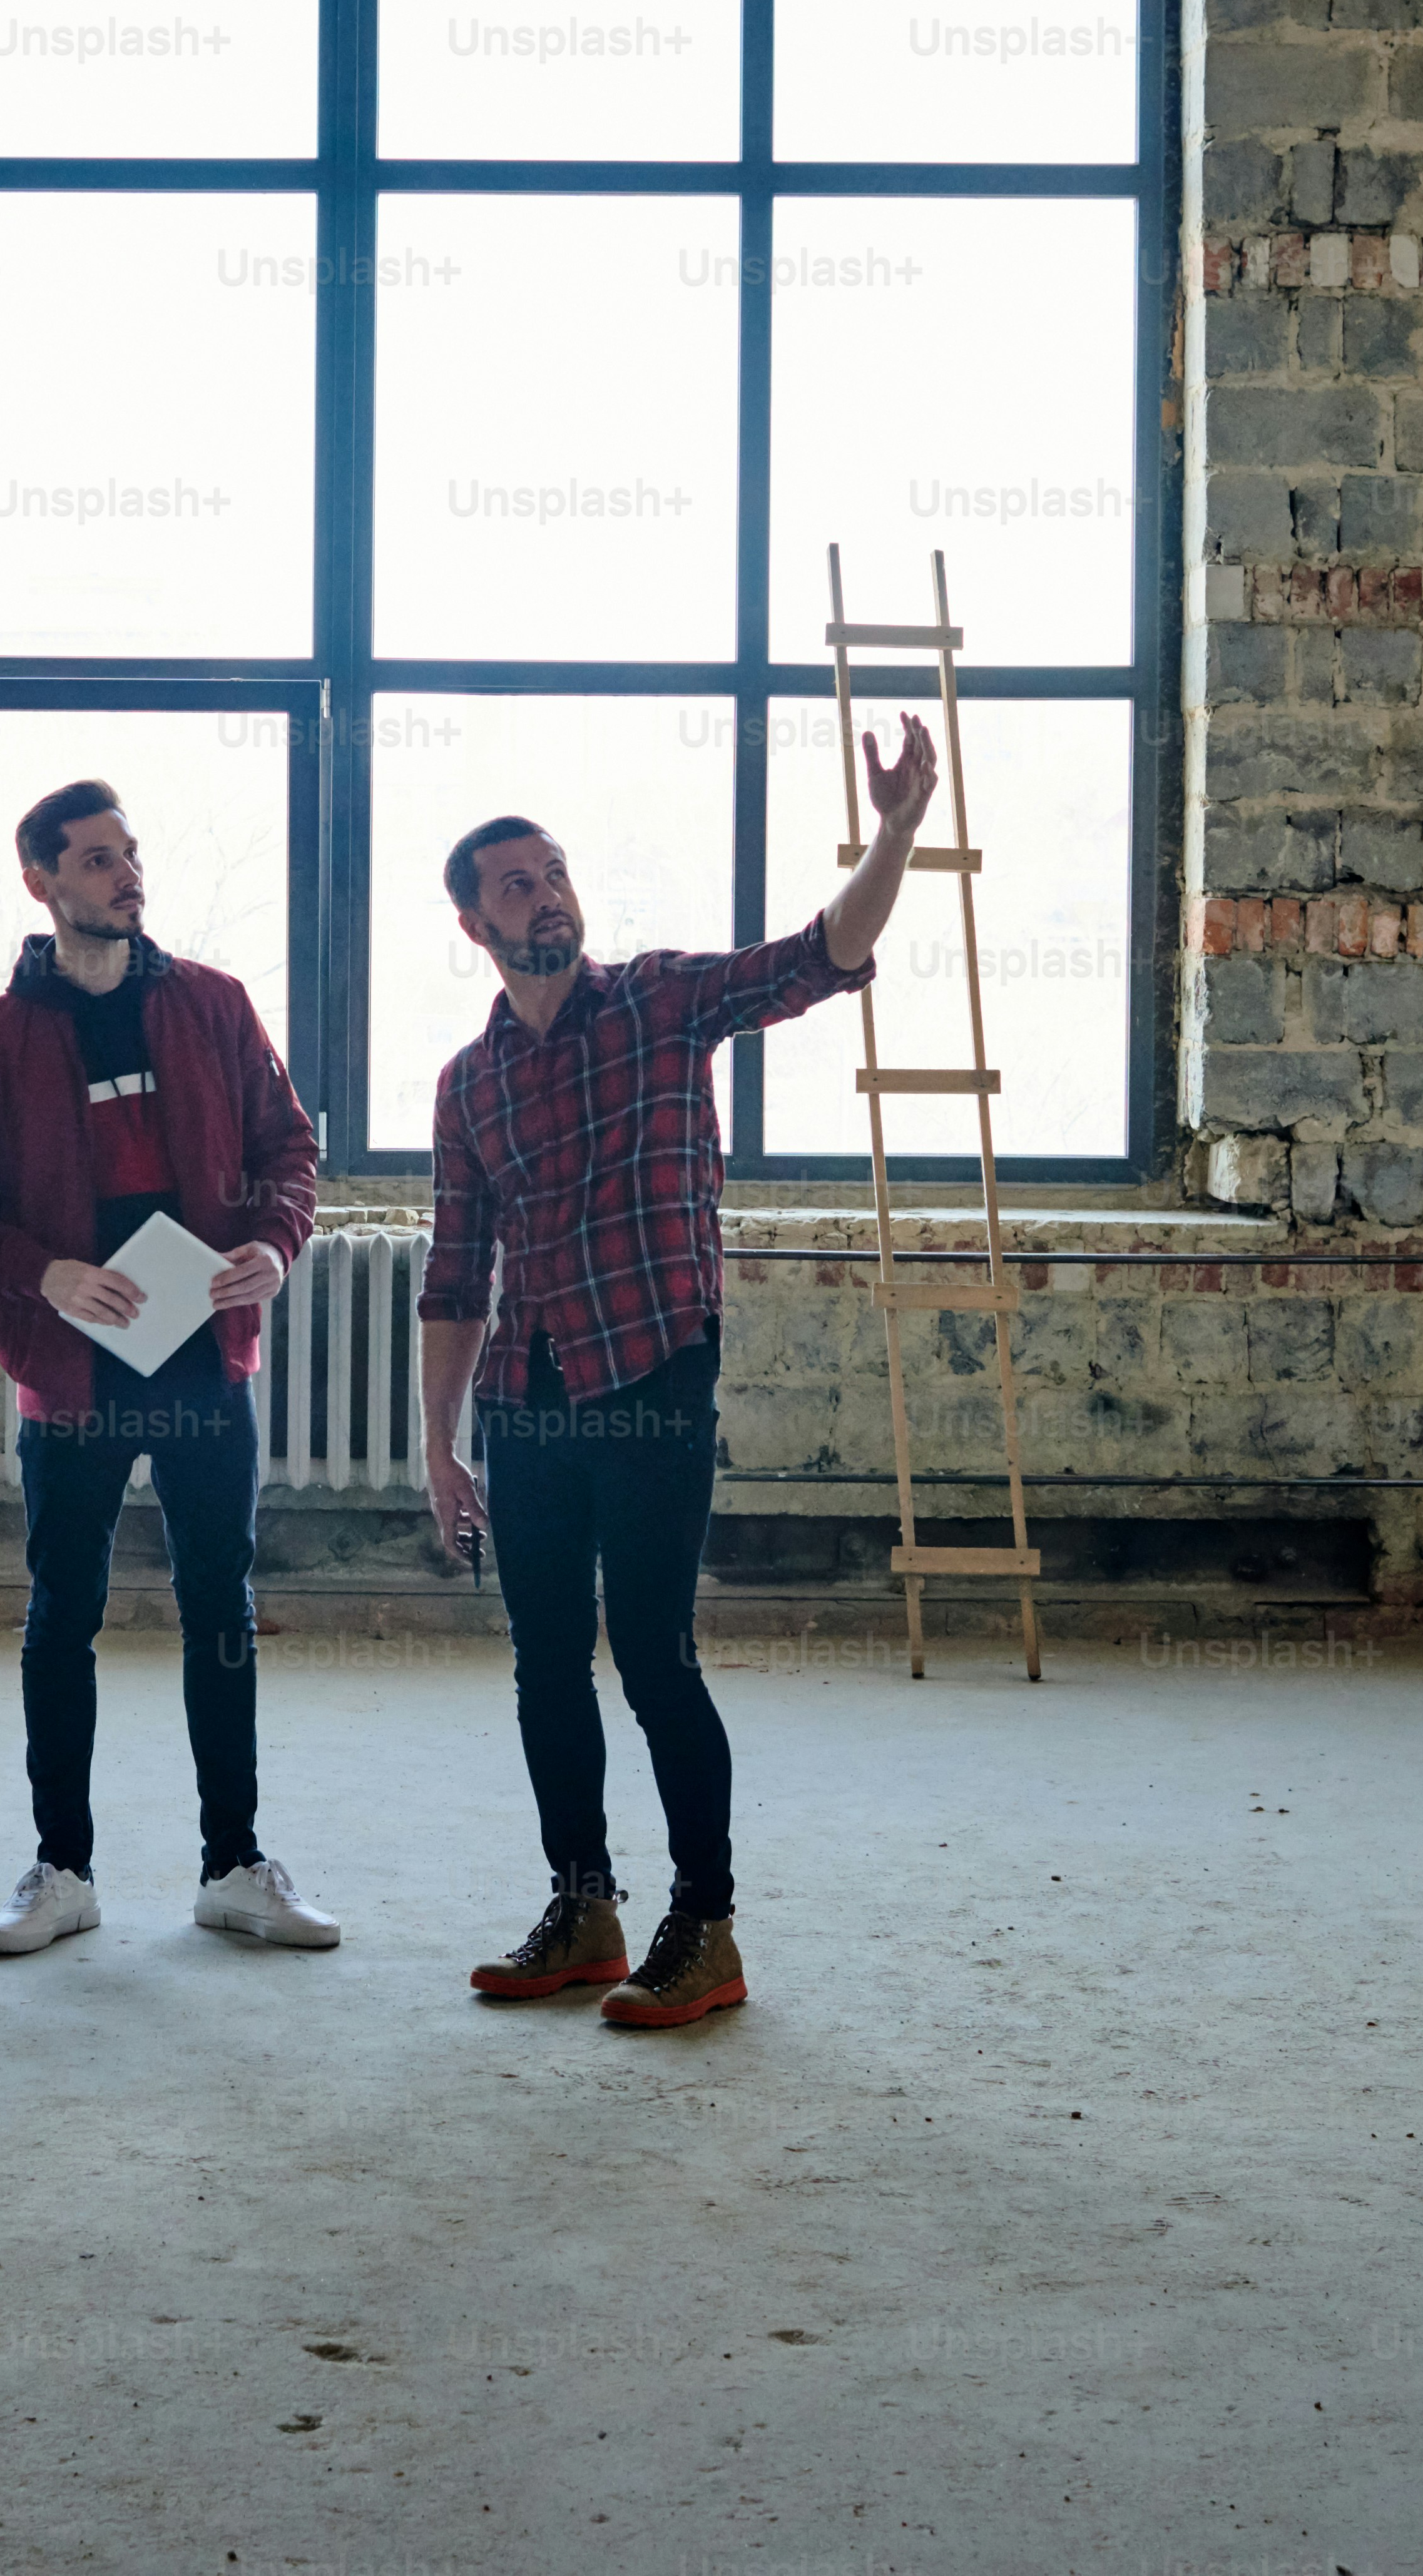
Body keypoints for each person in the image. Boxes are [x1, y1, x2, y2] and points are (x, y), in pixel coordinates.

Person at [416, 718, 942, 2029]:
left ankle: (702, 1924)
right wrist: (439, 1444)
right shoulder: (468, 1083)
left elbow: (821, 956)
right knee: (545, 1662)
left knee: (653, 1655)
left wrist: (892, 831)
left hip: (652, 1375)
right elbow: (450, 1270)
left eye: (555, 871)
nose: (548, 893)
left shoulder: (656, 999)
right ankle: (581, 1904)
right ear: (477, 924)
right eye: (517, 882)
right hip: (526, 1404)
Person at [0, 779, 337, 1960]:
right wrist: (44, 1275)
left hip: (205, 1364)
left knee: (223, 1610)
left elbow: (288, 1149)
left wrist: (274, 1242)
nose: (125, 875)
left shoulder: (214, 1005)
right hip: (72, 1374)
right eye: (95, 860)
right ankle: (63, 1871)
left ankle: (235, 1866)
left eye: (130, 855)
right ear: (41, 880)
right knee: (63, 1616)